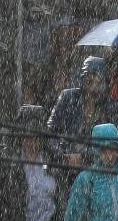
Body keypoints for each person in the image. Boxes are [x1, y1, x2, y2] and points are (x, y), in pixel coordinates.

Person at [47, 55, 112, 184]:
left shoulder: (108, 107)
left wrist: (84, 157)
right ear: (82, 81)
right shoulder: (68, 97)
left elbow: (112, 145)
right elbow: (50, 132)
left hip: (96, 171)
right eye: (89, 82)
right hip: (65, 169)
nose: (93, 89)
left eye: (98, 83)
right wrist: (63, 156)